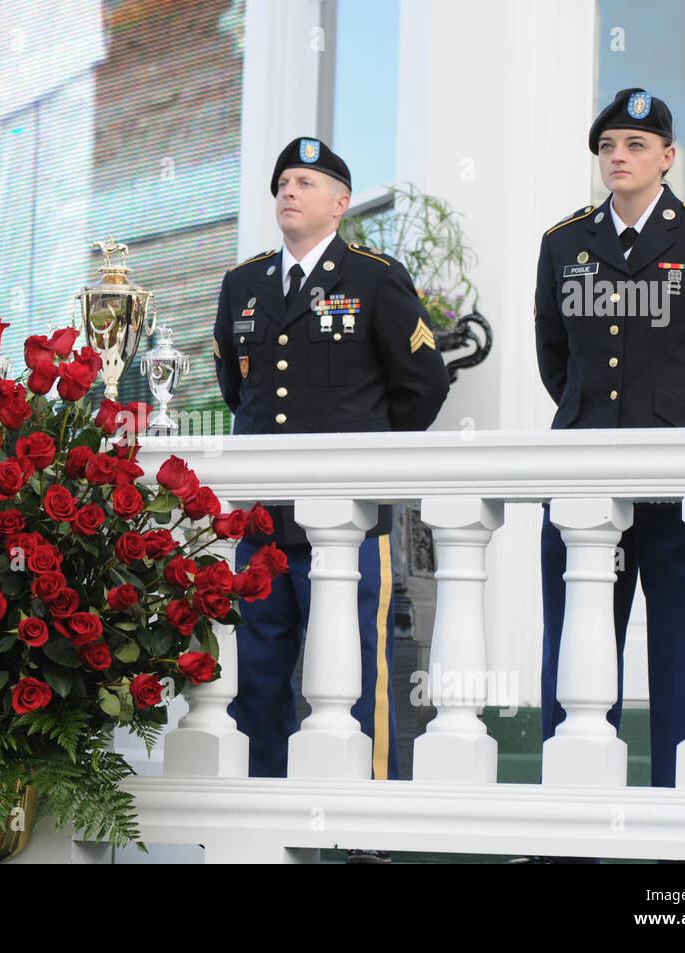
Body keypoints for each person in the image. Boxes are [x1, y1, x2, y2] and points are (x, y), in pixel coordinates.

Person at [534, 89, 685, 794]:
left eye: (635, 144)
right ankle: (570, 826)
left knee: (679, 650)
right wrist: (592, 422)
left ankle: (683, 821)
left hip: (679, 486)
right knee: (576, 645)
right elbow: (558, 361)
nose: (618, 156)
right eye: (608, 145)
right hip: (584, 477)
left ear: (668, 158)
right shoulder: (563, 241)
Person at [213, 137, 450, 789]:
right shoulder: (243, 285)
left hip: (346, 523)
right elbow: (239, 391)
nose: (288, 190)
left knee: (354, 670)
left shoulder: (374, 278)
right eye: (283, 181)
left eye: (305, 182)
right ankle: (263, 806)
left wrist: (370, 463)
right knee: (258, 673)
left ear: (340, 203)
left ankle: (365, 823)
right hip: (263, 524)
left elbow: (423, 383)